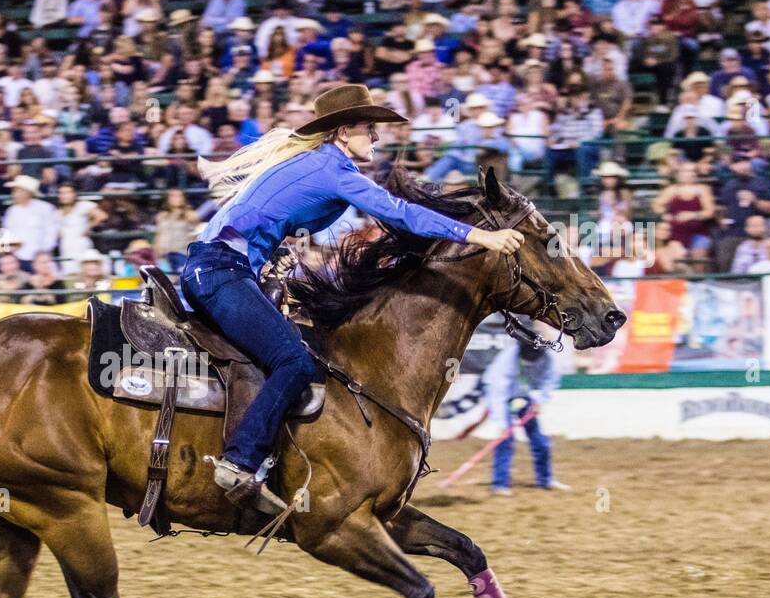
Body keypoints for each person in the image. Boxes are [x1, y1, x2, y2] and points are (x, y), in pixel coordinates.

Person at [183, 84, 523, 515]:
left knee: (288, 354)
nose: (376, 138)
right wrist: (481, 235)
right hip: (220, 271)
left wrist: (272, 255)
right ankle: (240, 461)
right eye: (369, 129)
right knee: (293, 361)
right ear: (345, 131)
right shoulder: (332, 170)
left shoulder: (316, 163)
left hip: (218, 267)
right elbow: (399, 213)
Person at [483, 325, 569, 496]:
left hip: (523, 395)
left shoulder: (547, 357)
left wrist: (540, 401)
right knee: (505, 440)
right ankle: (500, 484)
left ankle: (546, 480)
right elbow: (498, 393)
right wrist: (502, 424)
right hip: (502, 395)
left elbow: (549, 380)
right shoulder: (506, 361)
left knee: (540, 441)